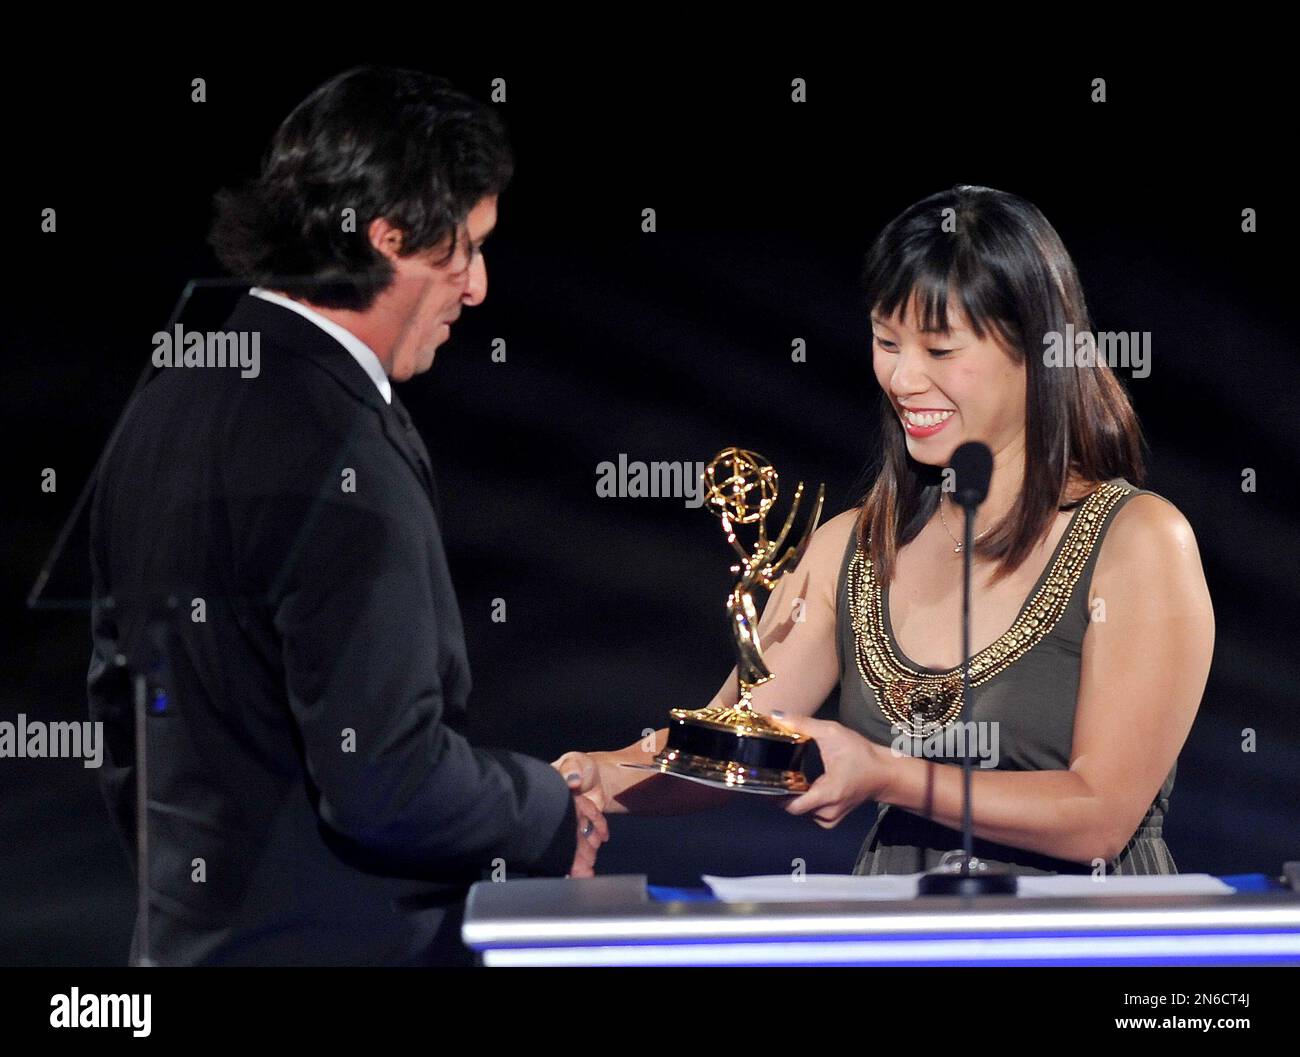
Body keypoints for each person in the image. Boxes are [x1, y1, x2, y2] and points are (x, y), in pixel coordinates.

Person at [87, 66, 606, 967]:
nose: (478, 288)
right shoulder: (341, 448)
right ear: (388, 237)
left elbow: (117, 716)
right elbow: (388, 782)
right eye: (467, 249)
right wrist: (547, 809)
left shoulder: (168, 398)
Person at [559, 185, 1214, 876]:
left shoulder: (1137, 540)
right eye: (886, 341)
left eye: (939, 349)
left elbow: (1100, 814)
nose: (903, 378)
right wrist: (573, 782)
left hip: (1086, 944)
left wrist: (888, 773)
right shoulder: (854, 548)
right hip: (903, 936)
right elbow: (725, 748)